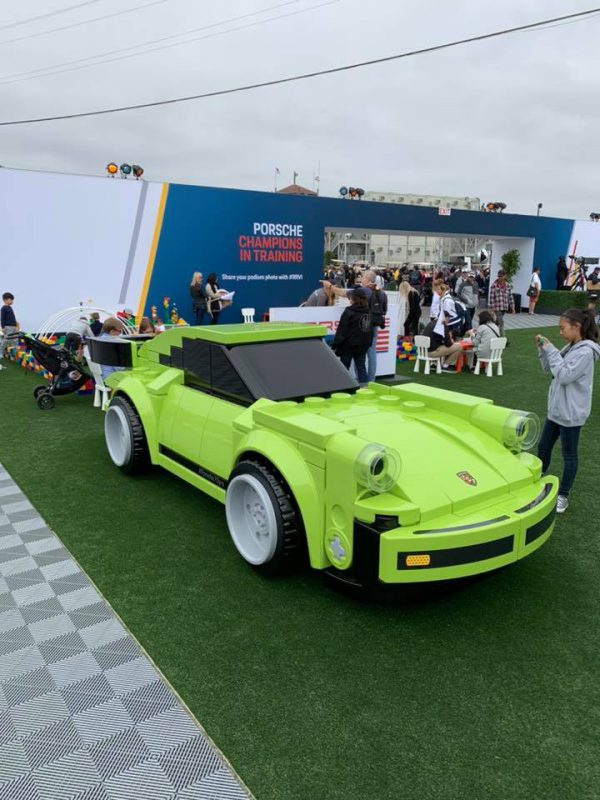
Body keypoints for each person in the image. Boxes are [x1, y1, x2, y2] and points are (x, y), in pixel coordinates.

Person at [536, 309, 600, 514]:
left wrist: (551, 349)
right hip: (557, 410)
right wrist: (542, 350)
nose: (560, 332)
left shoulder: (586, 352)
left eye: (563, 328)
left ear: (577, 327)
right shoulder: (572, 346)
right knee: (543, 449)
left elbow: (564, 376)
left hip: (571, 414)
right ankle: (538, 483)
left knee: (569, 456)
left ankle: (563, 495)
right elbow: (549, 369)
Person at [331, 288, 372, 385]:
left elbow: (341, 330)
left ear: (354, 299)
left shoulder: (349, 311)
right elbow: (368, 330)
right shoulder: (368, 312)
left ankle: (344, 389)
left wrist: (335, 345)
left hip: (348, 346)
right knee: (361, 368)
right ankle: (365, 391)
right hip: (362, 346)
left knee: (344, 369)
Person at [428, 283, 462, 371]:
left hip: (424, 351)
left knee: (441, 343)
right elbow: (448, 343)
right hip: (433, 351)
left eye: (438, 290)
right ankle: (447, 365)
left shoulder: (432, 323)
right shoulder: (443, 324)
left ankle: (435, 363)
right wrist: (451, 341)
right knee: (458, 346)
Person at [488, 270, 515, 337]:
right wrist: (491, 309)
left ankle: (491, 333)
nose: (499, 277)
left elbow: (510, 296)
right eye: (498, 276)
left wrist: (513, 307)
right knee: (501, 323)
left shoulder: (508, 285)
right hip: (497, 307)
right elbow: (491, 297)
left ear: (504, 276)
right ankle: (503, 338)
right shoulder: (494, 285)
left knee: (497, 323)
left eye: (501, 276)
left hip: (505, 307)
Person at [0, 292, 18, 360]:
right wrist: (3, 327)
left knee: (15, 340)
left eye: (12, 300)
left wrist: (16, 326)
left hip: (13, 326)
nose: (12, 301)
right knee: (6, 340)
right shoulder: (3, 308)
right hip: (8, 327)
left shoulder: (10, 308)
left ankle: (14, 354)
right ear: (5, 300)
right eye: (10, 300)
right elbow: (2, 318)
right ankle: (1, 352)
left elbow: (13, 317)